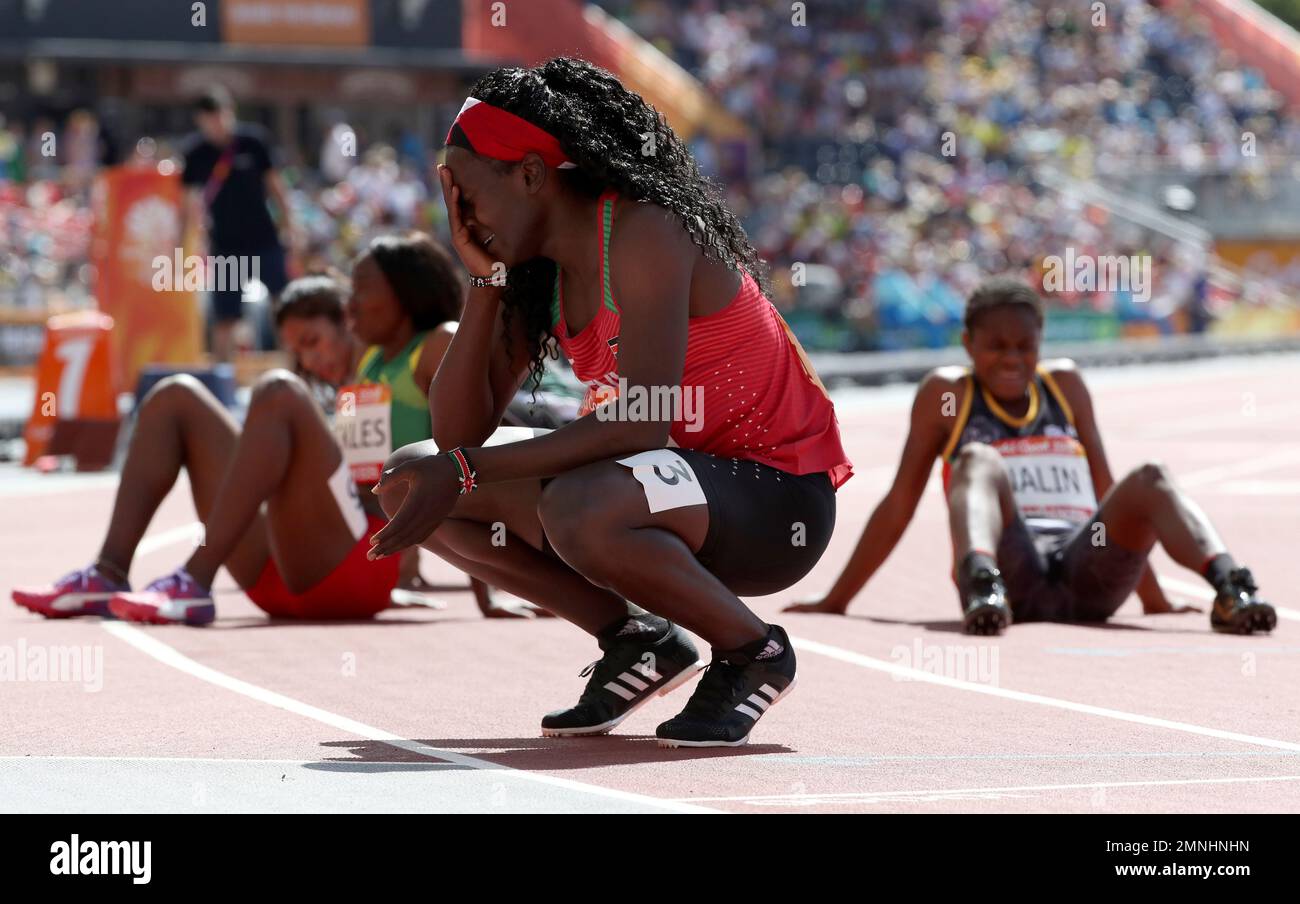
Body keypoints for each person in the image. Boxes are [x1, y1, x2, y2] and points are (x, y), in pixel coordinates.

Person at [368, 58, 853, 748]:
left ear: (531, 174)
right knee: (412, 478)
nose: (461, 218)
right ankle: (636, 639)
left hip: (775, 497)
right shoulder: (537, 277)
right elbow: (456, 438)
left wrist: (470, 467)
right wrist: (483, 281)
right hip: (662, 494)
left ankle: (754, 653)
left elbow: (642, 417)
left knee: (580, 503)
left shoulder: (644, 229)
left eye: (467, 196)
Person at [12, 236, 470, 624]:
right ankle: (108, 571)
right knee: (176, 396)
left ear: (403, 292)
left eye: (361, 289)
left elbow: (472, 451)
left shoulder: (436, 345)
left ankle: (194, 578)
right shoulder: (370, 363)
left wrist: (486, 584)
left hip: (359, 565)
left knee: (278, 390)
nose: (349, 302)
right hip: (280, 575)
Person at [785, 277, 1277, 636]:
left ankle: (1233, 587)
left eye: (1025, 346)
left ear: (1041, 343)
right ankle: (980, 579)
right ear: (967, 344)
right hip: (1009, 578)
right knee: (976, 458)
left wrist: (1153, 599)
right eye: (996, 346)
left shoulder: (1064, 385)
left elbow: (1109, 491)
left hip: (1088, 572)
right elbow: (900, 504)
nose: (1013, 359)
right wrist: (838, 598)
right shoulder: (946, 395)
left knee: (1151, 477)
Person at [179, 85, 295, 363]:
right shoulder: (196, 153)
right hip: (226, 245)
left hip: (264, 238)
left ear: (230, 112)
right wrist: (185, 244)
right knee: (225, 318)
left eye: (221, 115)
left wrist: (290, 227)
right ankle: (223, 382)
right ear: (201, 120)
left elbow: (276, 188)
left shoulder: (253, 143)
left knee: (283, 307)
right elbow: (188, 204)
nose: (217, 123)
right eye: (211, 118)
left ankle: (295, 368)